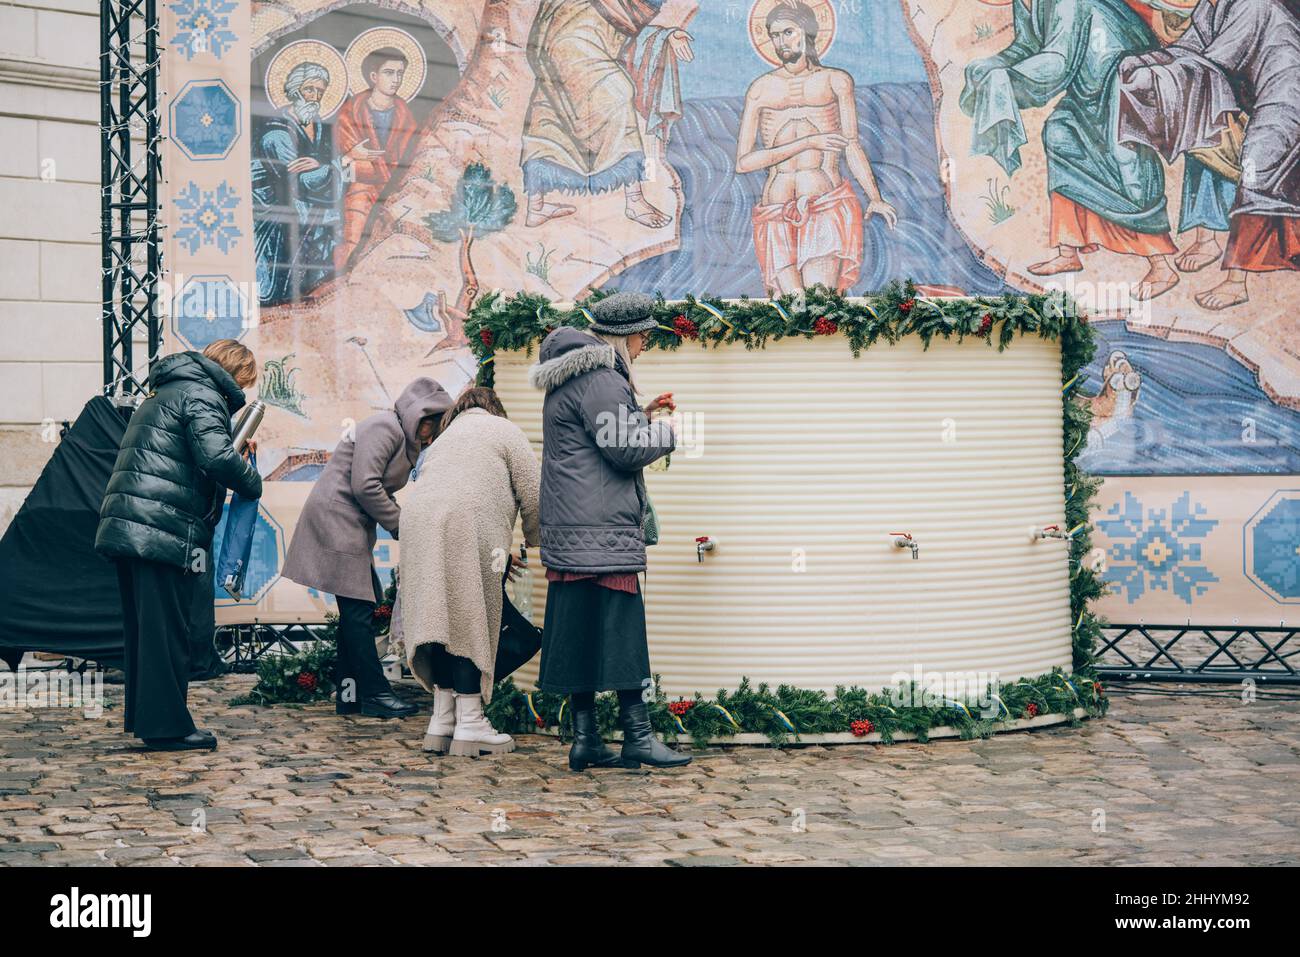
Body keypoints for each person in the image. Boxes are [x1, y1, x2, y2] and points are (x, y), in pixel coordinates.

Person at [528, 291, 689, 771]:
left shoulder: (575, 375)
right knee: (621, 636)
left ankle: (586, 740)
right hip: (601, 534)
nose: (643, 347)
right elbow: (623, 450)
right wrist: (668, 432)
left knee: (578, 633)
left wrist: (640, 412)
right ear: (624, 336)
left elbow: (594, 438)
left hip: (573, 533)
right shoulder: (601, 378)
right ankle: (638, 737)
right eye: (643, 338)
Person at [95, 339, 263, 752]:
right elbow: (215, 458)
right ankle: (169, 728)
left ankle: (151, 721)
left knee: (147, 631)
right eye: (247, 381)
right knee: (167, 632)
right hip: (160, 527)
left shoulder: (170, 388)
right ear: (234, 373)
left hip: (134, 524)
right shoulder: (203, 394)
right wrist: (251, 478)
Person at [959, 0, 1181, 300]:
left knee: (1127, 160)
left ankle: (1162, 265)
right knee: (1060, 134)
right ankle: (1068, 249)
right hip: (1089, 83)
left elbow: (1057, 63)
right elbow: (1026, 48)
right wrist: (990, 67)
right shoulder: (1027, 4)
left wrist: (1009, 78)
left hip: (1125, 79)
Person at [281, 377, 452, 718]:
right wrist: (401, 524)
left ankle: (350, 694)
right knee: (358, 611)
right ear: (420, 415)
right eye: (431, 423)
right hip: (337, 518)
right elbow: (366, 485)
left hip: (347, 521)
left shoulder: (400, 435)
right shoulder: (384, 428)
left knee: (355, 612)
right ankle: (374, 694)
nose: (432, 433)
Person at [1117, 0, 1300, 310]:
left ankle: (1236, 282)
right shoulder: (1211, 7)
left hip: (1285, 103)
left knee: (1257, 164)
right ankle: (1207, 239)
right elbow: (1189, 52)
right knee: (1204, 130)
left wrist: (1155, 77)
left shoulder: (1253, 6)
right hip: (1254, 99)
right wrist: (1146, 63)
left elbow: (1216, 60)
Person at [400, 387, 541, 757]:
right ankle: (471, 723)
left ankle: (443, 720)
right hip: (463, 524)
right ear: (494, 408)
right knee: (468, 618)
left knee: (440, 622)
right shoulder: (503, 430)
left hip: (417, 526)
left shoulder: (444, 440)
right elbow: (533, 489)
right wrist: (539, 541)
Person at [736, 1, 897, 294]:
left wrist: (875, 197)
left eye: (788, 32)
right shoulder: (760, 89)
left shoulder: (836, 80)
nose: (781, 42)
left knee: (819, 302)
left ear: (807, 32)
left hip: (825, 206)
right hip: (775, 211)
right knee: (789, 307)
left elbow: (851, 145)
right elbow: (744, 162)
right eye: (774, 35)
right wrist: (808, 142)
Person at [520, 0, 696, 228]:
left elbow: (626, 25)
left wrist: (667, 36)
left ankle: (536, 206)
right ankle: (634, 201)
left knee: (549, 110)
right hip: (567, 42)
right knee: (618, 93)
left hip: (574, 44)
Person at [252, 60, 343, 306]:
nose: (315, 97)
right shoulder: (276, 131)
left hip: (313, 209)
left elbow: (334, 166)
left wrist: (328, 168)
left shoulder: (322, 127)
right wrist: (331, 169)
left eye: (320, 92)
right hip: (281, 212)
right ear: (294, 91)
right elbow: (297, 180)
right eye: (309, 90)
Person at [334, 47, 419, 270]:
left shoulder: (405, 115)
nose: (396, 79)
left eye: (400, 73)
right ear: (374, 77)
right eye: (389, 73)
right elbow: (342, 164)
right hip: (360, 188)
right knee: (353, 238)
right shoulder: (350, 112)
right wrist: (353, 158)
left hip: (394, 187)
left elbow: (410, 157)